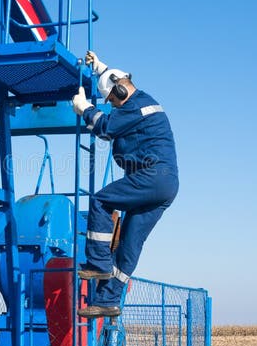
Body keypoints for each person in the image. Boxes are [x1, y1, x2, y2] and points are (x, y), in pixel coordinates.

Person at [71, 51, 179, 318]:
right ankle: (108, 301)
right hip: (166, 184)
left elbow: (106, 127)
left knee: (100, 200)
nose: (113, 106)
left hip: (151, 175)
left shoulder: (133, 106)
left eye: (112, 101)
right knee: (130, 244)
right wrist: (99, 68)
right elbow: (115, 81)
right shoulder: (141, 99)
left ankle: (98, 263)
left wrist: (85, 109)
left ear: (119, 92)